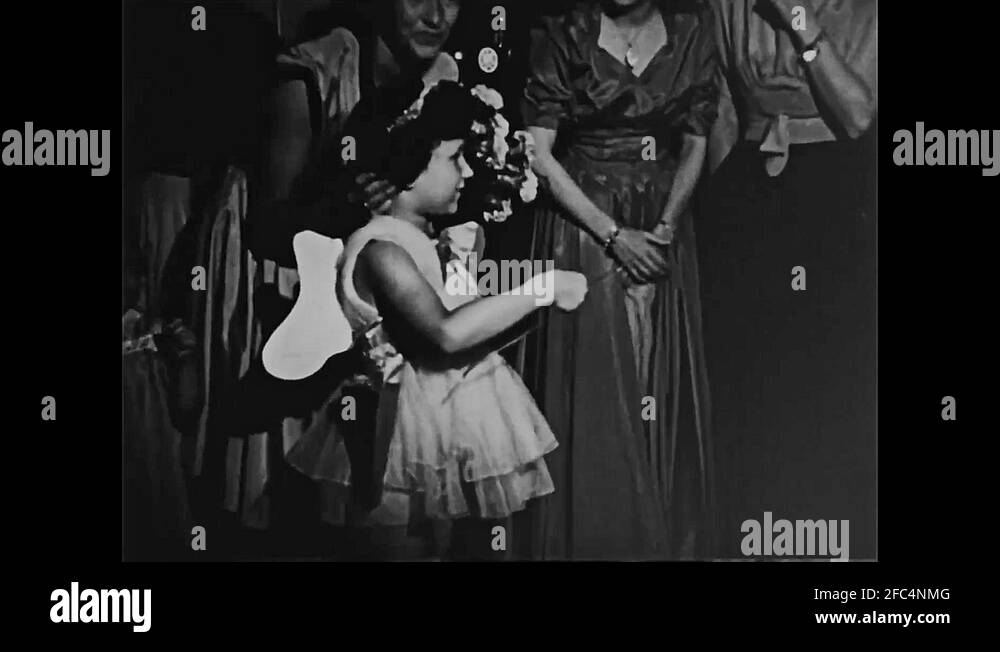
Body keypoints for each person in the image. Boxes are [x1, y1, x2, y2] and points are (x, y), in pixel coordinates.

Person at [285, 80, 588, 559]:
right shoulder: (382, 249)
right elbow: (445, 333)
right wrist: (541, 288)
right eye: (453, 158)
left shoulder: (429, 245)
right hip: (391, 440)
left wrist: (496, 290)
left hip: (450, 433)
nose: (467, 171)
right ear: (407, 163)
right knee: (399, 543)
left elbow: (473, 334)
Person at [515, 0, 720, 560]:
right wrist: (611, 235)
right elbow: (538, 152)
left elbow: (696, 141)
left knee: (653, 372)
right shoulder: (564, 33)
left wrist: (664, 228)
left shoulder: (692, 32)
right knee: (600, 385)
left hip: (660, 217)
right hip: (581, 218)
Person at [699, 0, 877, 558]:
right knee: (757, 368)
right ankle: (762, 534)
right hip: (753, 190)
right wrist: (720, 215)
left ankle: (838, 540)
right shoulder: (729, 5)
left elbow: (856, 116)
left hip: (834, 195)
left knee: (829, 367)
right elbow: (723, 112)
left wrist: (797, 17)